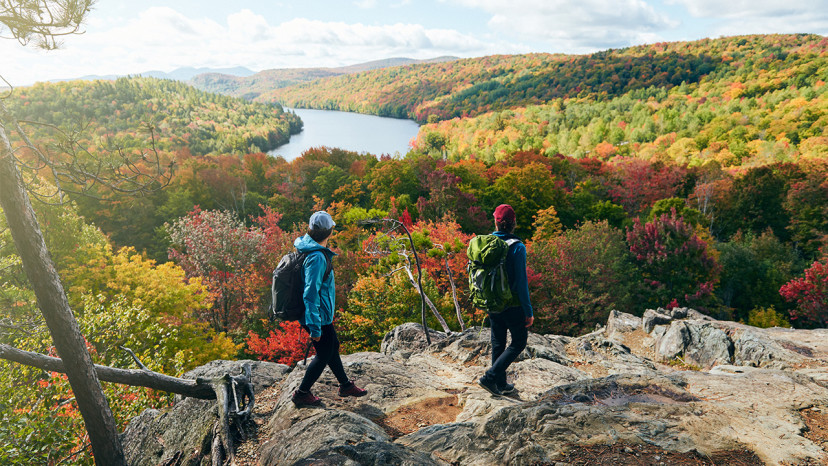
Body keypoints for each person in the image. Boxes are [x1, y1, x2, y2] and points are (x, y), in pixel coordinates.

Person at [292, 211, 367, 406]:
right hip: (316, 315)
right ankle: (302, 393)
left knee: (332, 346)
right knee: (324, 353)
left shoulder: (306, 247)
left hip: (319, 314)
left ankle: (345, 385)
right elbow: (310, 294)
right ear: (330, 231)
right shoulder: (316, 257)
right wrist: (315, 327)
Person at [478, 204, 534, 397]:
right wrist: (528, 312)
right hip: (513, 305)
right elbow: (521, 282)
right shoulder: (517, 247)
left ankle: (500, 384)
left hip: (493, 302)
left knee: (498, 343)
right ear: (514, 224)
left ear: (496, 221)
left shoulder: (488, 244)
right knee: (518, 342)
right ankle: (490, 377)